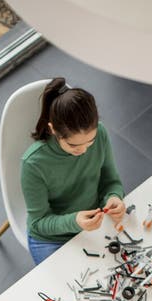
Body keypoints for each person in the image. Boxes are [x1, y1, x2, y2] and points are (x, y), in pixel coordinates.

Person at [21, 77, 125, 265]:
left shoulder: (100, 133)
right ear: (53, 130)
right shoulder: (33, 164)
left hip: (93, 221)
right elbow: (38, 223)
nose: (84, 150)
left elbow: (110, 181)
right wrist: (74, 221)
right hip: (51, 237)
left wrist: (113, 197)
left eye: (90, 142)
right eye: (73, 145)